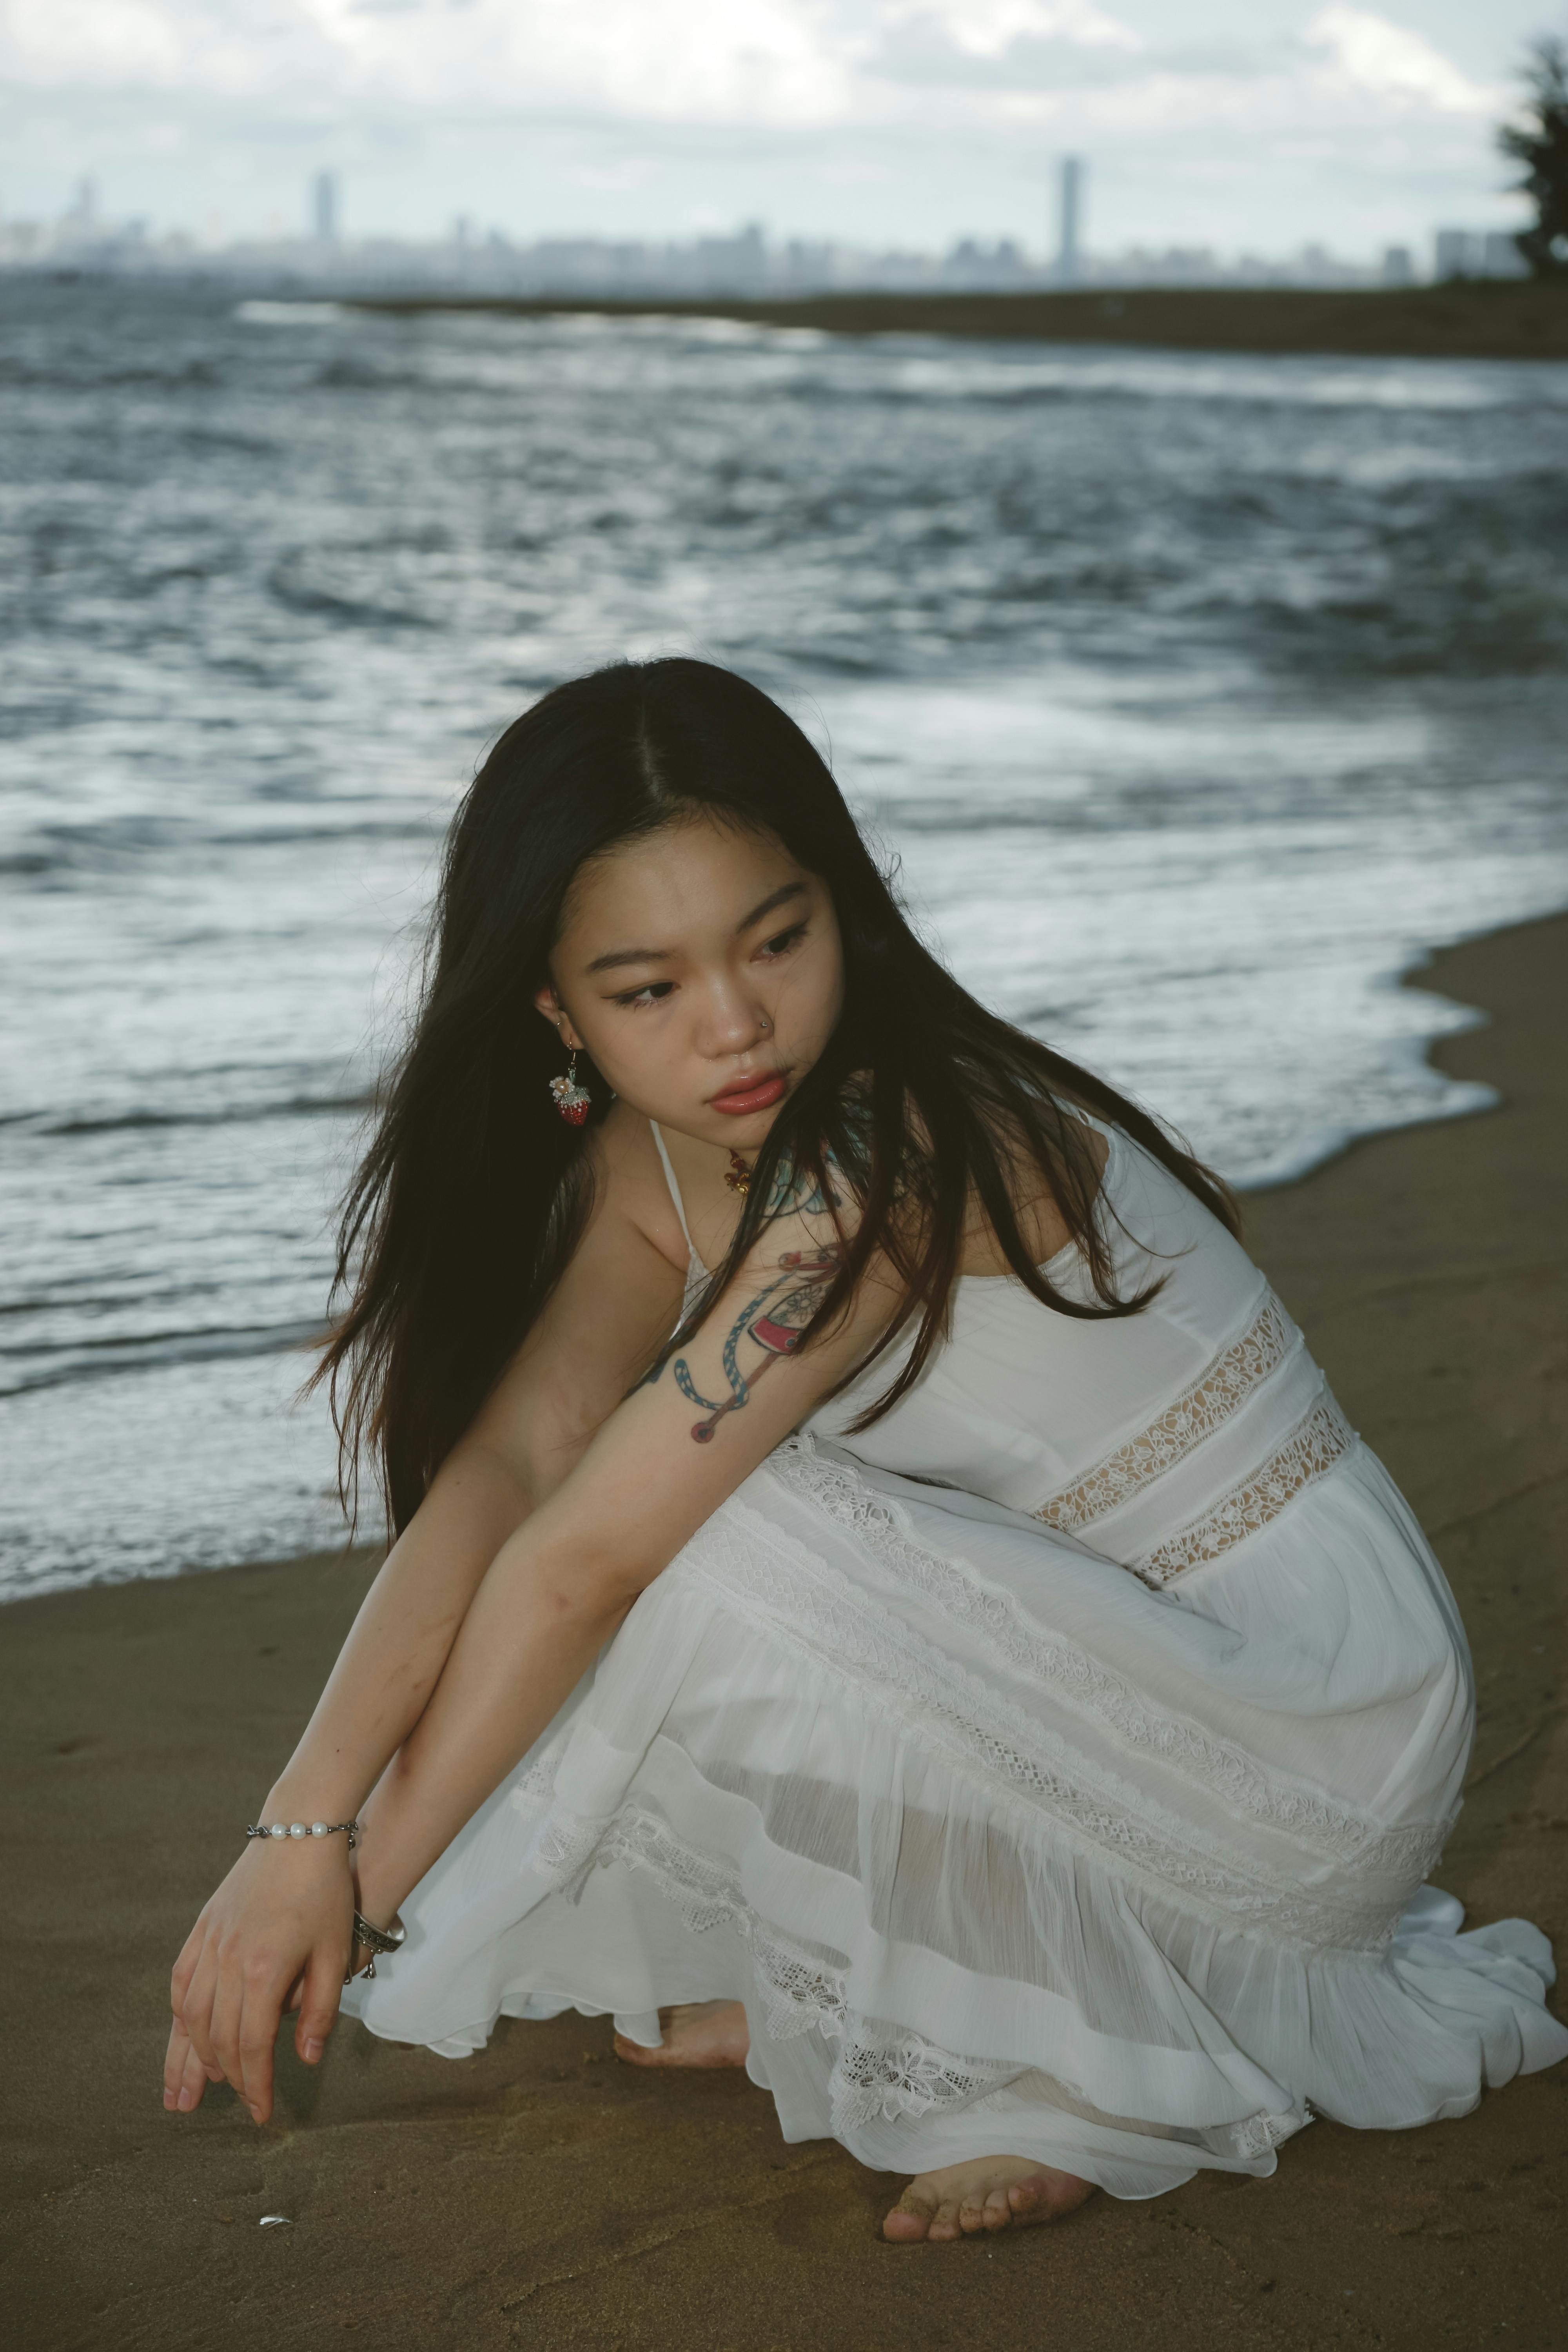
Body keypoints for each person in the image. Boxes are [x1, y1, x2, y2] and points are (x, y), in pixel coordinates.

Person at [164, 658, 1567, 2245]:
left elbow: (587, 1554)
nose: (737, 1022)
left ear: (849, 904)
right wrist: (297, 1825)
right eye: (648, 991)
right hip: (1137, 1675)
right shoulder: (657, 1160)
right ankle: (898, 1988)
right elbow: (505, 1477)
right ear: (554, 1012)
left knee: (706, 1521)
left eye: (777, 941)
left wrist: (351, 1895)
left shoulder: (881, 1152)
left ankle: (1086, 2077)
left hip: (1314, 1723)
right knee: (625, 1508)